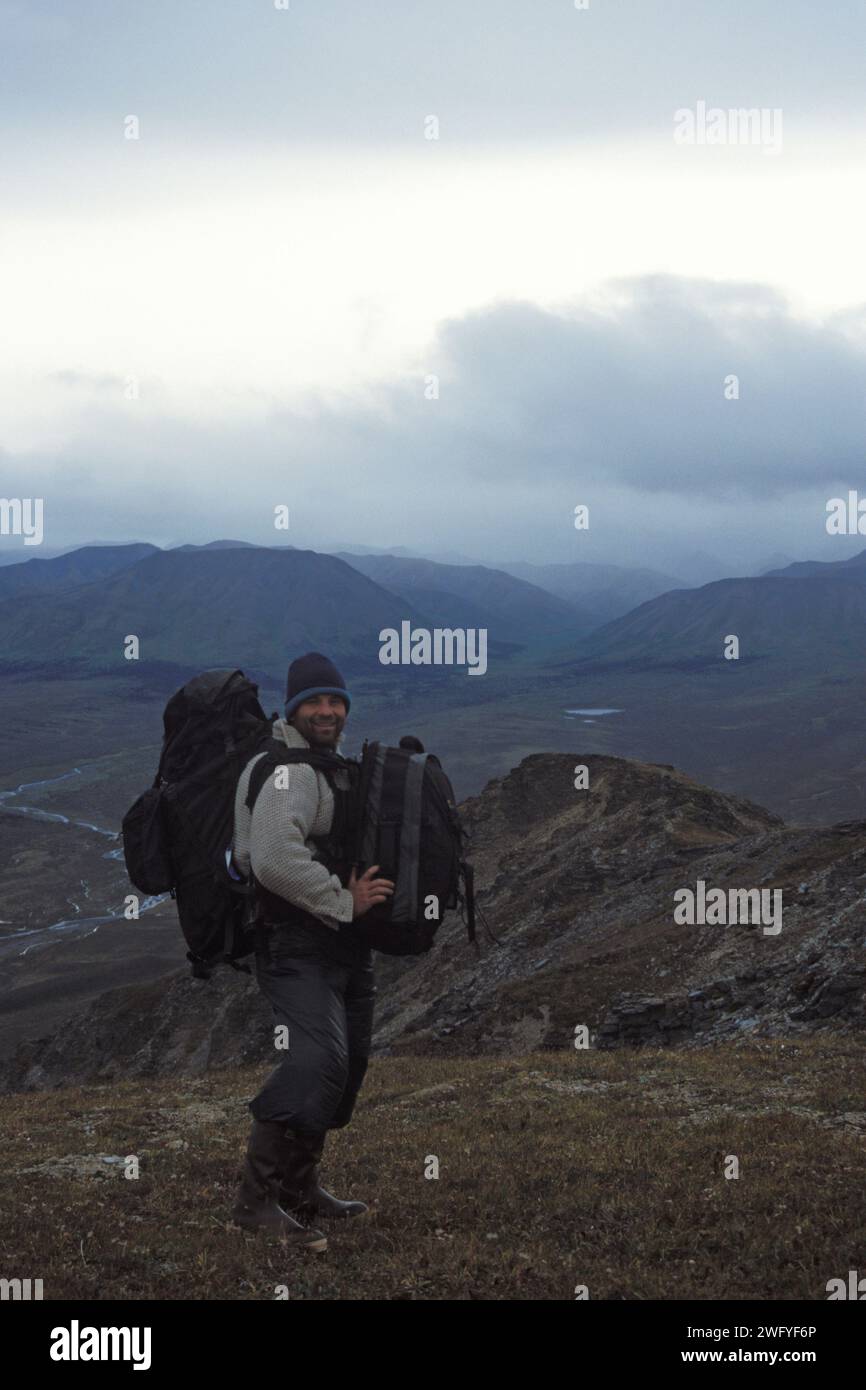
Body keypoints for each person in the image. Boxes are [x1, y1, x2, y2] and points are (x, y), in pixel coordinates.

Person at [230, 652, 394, 1250]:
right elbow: (272, 859)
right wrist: (344, 901)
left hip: (339, 945)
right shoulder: (286, 773)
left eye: (336, 701)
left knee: (345, 1067)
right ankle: (254, 1202)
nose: (327, 711)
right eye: (315, 702)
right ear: (294, 708)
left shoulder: (322, 764)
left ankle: (300, 1187)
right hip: (295, 943)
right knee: (315, 1061)